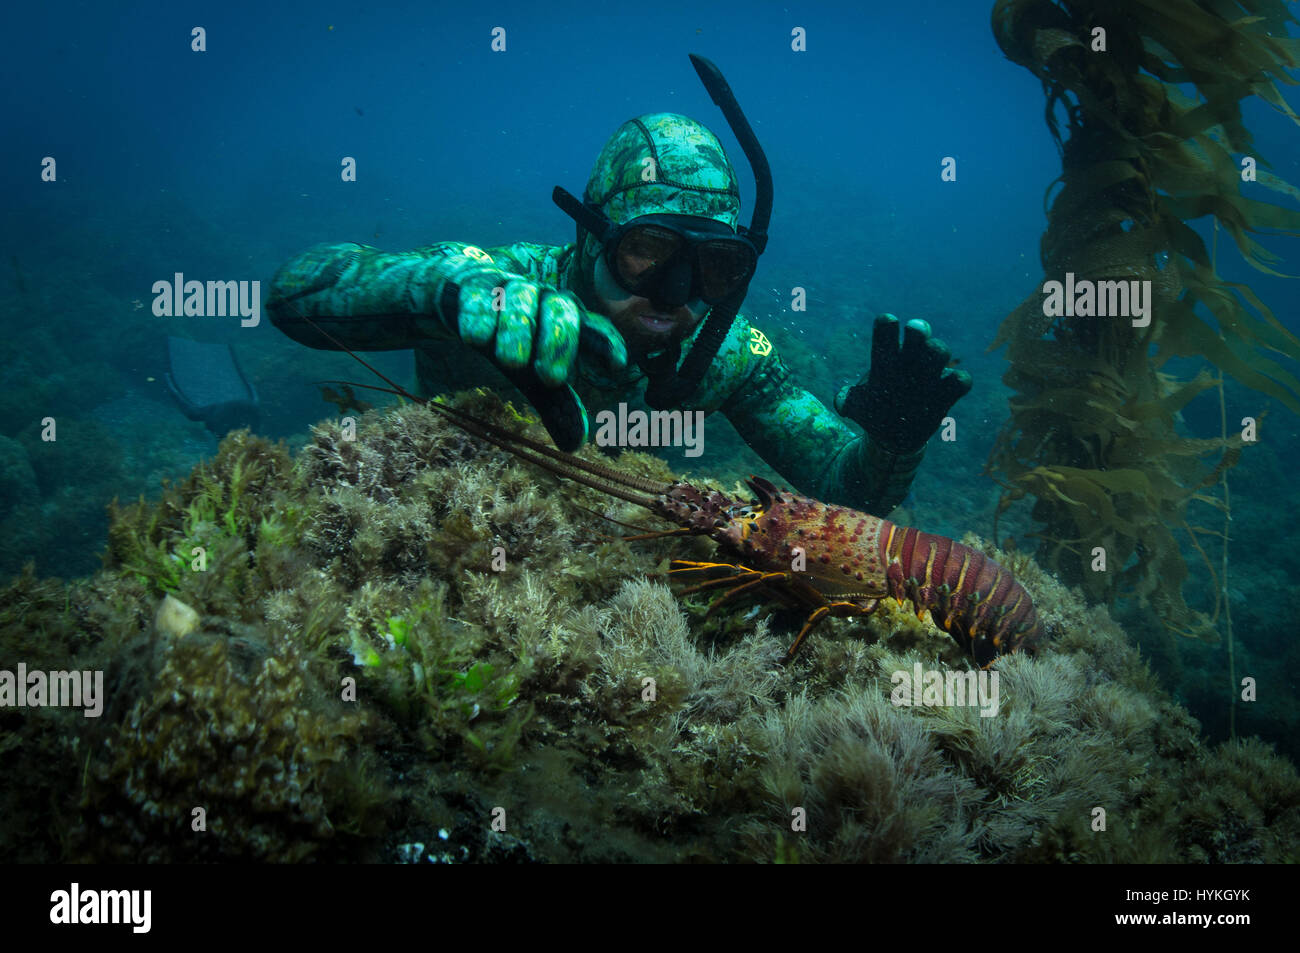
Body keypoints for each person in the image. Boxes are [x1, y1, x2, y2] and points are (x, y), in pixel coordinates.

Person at [268, 67, 970, 517]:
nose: (675, 295)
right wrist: (443, 290)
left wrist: (893, 442)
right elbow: (297, 291)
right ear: (589, 238)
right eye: (646, 251)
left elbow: (846, 488)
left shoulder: (728, 354)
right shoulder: (502, 283)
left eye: (712, 268)